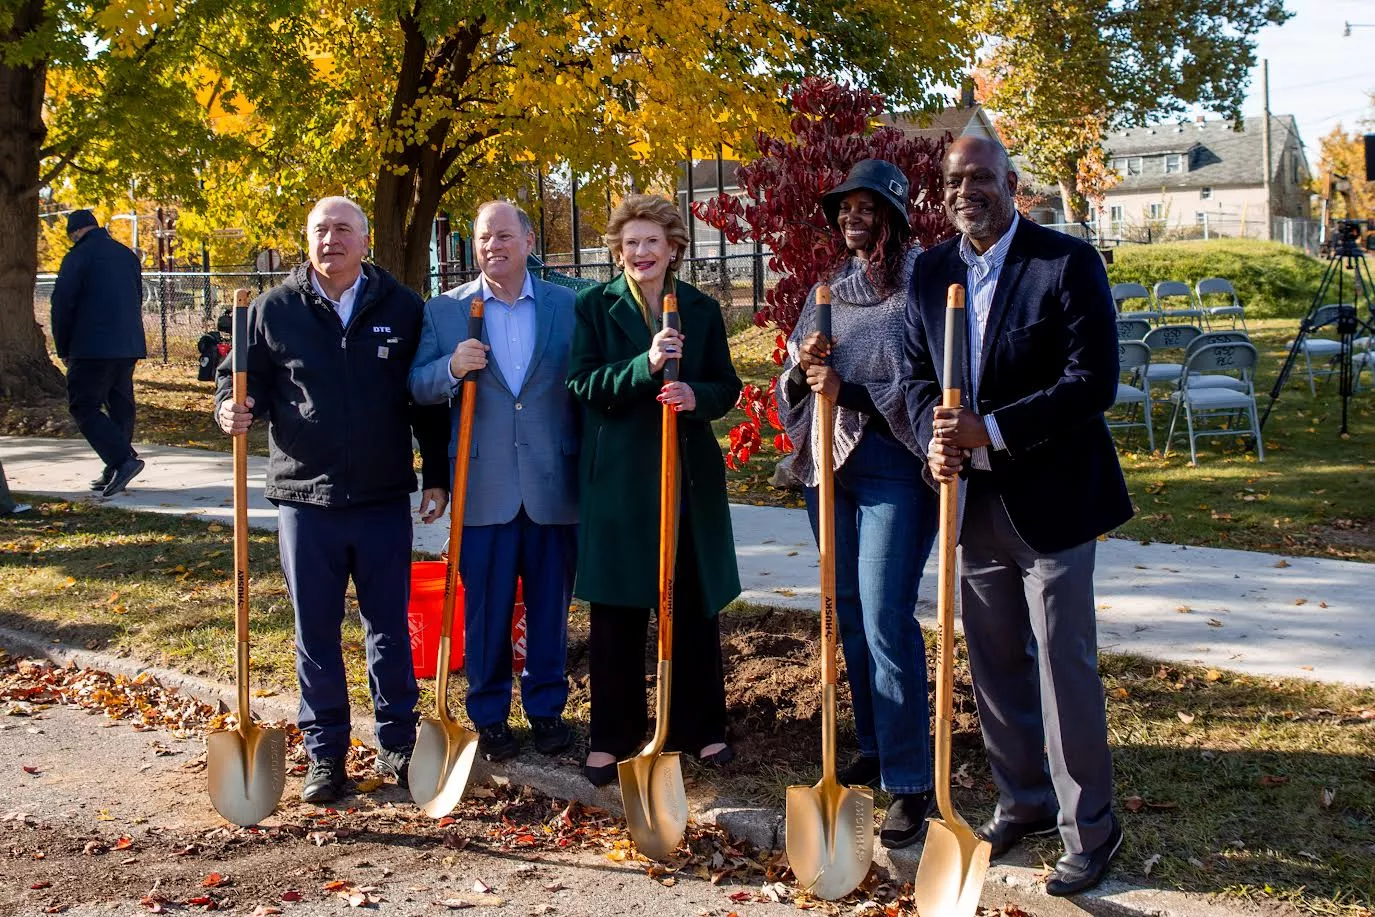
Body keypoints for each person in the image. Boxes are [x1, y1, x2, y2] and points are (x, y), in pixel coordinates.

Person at [901, 136, 1133, 896]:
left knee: (1063, 666)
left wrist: (991, 430)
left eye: (979, 177)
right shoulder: (931, 270)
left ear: (1011, 182)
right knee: (995, 663)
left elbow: (1091, 380)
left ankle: (1089, 828)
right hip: (970, 503)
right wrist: (933, 441)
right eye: (951, 180)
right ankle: (1023, 799)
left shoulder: (1064, 262)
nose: (964, 190)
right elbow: (912, 374)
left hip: (1054, 500)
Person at [215, 196, 449, 804]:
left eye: (344, 229)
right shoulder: (272, 309)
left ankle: (396, 744)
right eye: (320, 230)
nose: (331, 240)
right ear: (307, 239)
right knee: (314, 629)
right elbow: (241, 380)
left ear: (365, 240)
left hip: (379, 496)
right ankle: (326, 755)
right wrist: (231, 408)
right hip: (302, 497)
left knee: (389, 628)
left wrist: (437, 474)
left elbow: (425, 401)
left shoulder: (402, 307)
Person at [776, 159, 938, 849]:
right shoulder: (826, 292)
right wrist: (804, 365)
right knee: (845, 615)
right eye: (843, 207)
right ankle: (873, 743)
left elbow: (927, 377)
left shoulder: (921, 285)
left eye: (865, 207)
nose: (850, 216)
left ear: (894, 213)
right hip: (829, 468)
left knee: (883, 618)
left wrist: (848, 387)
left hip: (896, 468)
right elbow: (794, 380)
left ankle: (909, 782)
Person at [566, 193, 742, 787]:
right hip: (618, 481)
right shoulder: (594, 306)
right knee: (616, 612)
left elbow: (726, 385)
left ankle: (700, 727)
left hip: (684, 477)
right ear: (618, 249)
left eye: (651, 242)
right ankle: (611, 737)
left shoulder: (700, 308)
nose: (640, 252)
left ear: (673, 249)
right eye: (630, 243)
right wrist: (644, 365)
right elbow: (584, 383)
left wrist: (696, 398)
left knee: (691, 603)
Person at [409, 201, 579, 763]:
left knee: (550, 604)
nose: (493, 246)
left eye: (504, 236)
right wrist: (451, 368)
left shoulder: (566, 306)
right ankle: (488, 713)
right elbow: (417, 389)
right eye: (484, 238)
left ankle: (548, 708)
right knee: (485, 606)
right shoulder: (446, 311)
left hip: (553, 482)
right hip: (482, 485)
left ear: (529, 241)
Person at [50, 209, 147, 498]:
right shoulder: (127, 255)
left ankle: (121, 460)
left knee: (84, 406)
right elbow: (138, 297)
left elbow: (62, 306)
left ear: (76, 233)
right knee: (120, 403)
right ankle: (114, 466)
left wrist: (63, 347)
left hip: (91, 346)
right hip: (127, 343)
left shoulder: (78, 257)